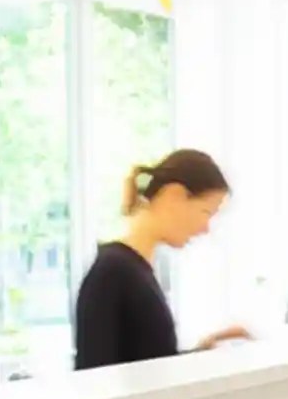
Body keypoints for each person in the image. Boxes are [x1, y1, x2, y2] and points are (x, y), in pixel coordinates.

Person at [74, 149, 250, 370]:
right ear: (174, 195)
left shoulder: (135, 270)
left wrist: (202, 351)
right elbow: (97, 380)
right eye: (206, 212)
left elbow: (146, 363)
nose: (206, 229)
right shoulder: (113, 273)